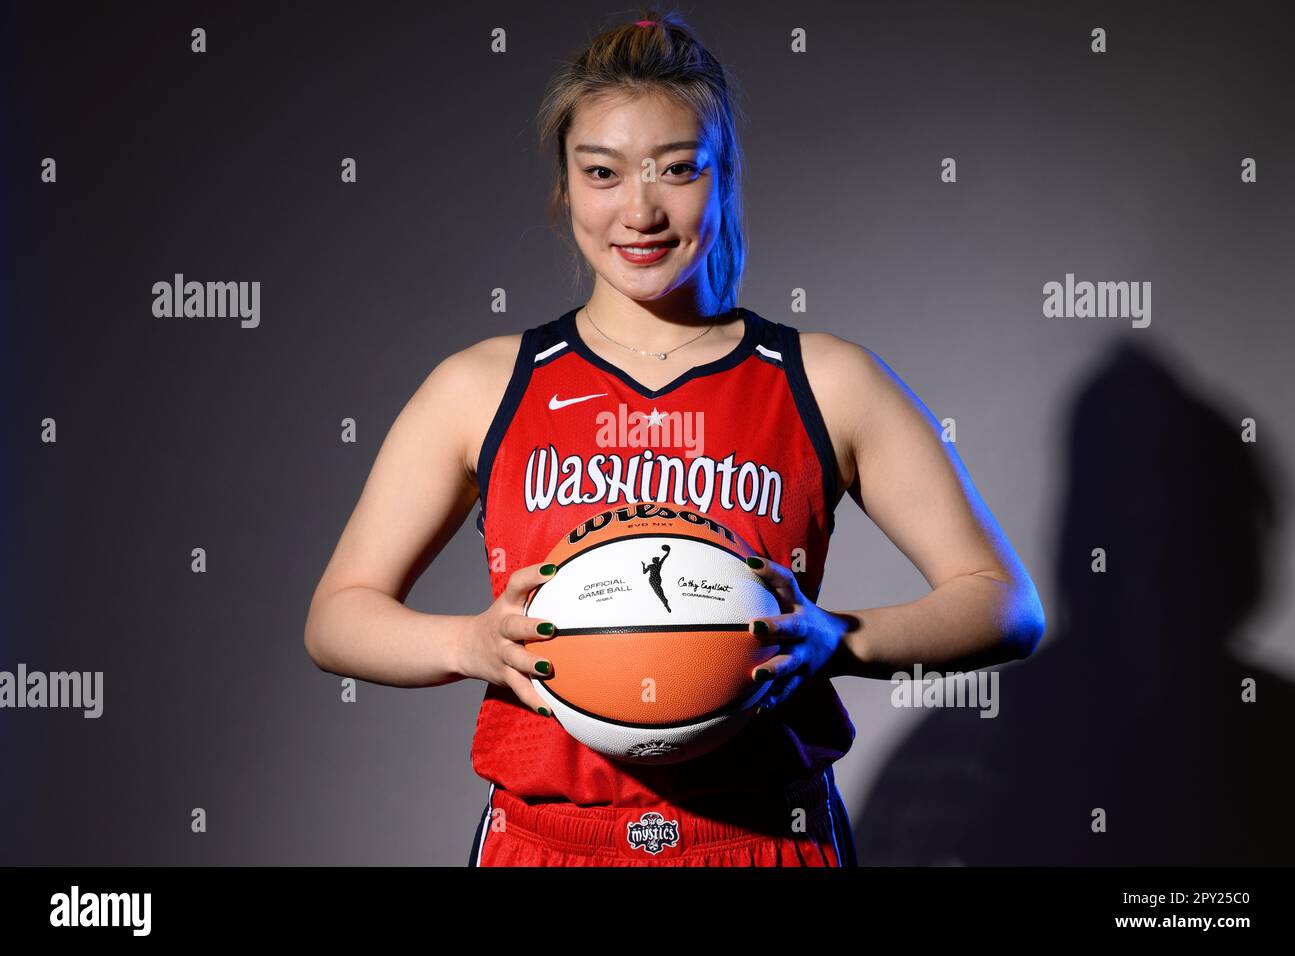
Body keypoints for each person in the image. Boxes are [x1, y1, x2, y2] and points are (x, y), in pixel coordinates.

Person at [303, 11, 1045, 867]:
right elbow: (337, 617)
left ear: (724, 178)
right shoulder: (483, 385)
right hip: (549, 844)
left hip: (763, 837)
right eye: (603, 172)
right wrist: (464, 644)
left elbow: (1006, 604)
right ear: (566, 187)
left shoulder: (825, 380)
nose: (640, 210)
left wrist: (837, 639)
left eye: (679, 169)